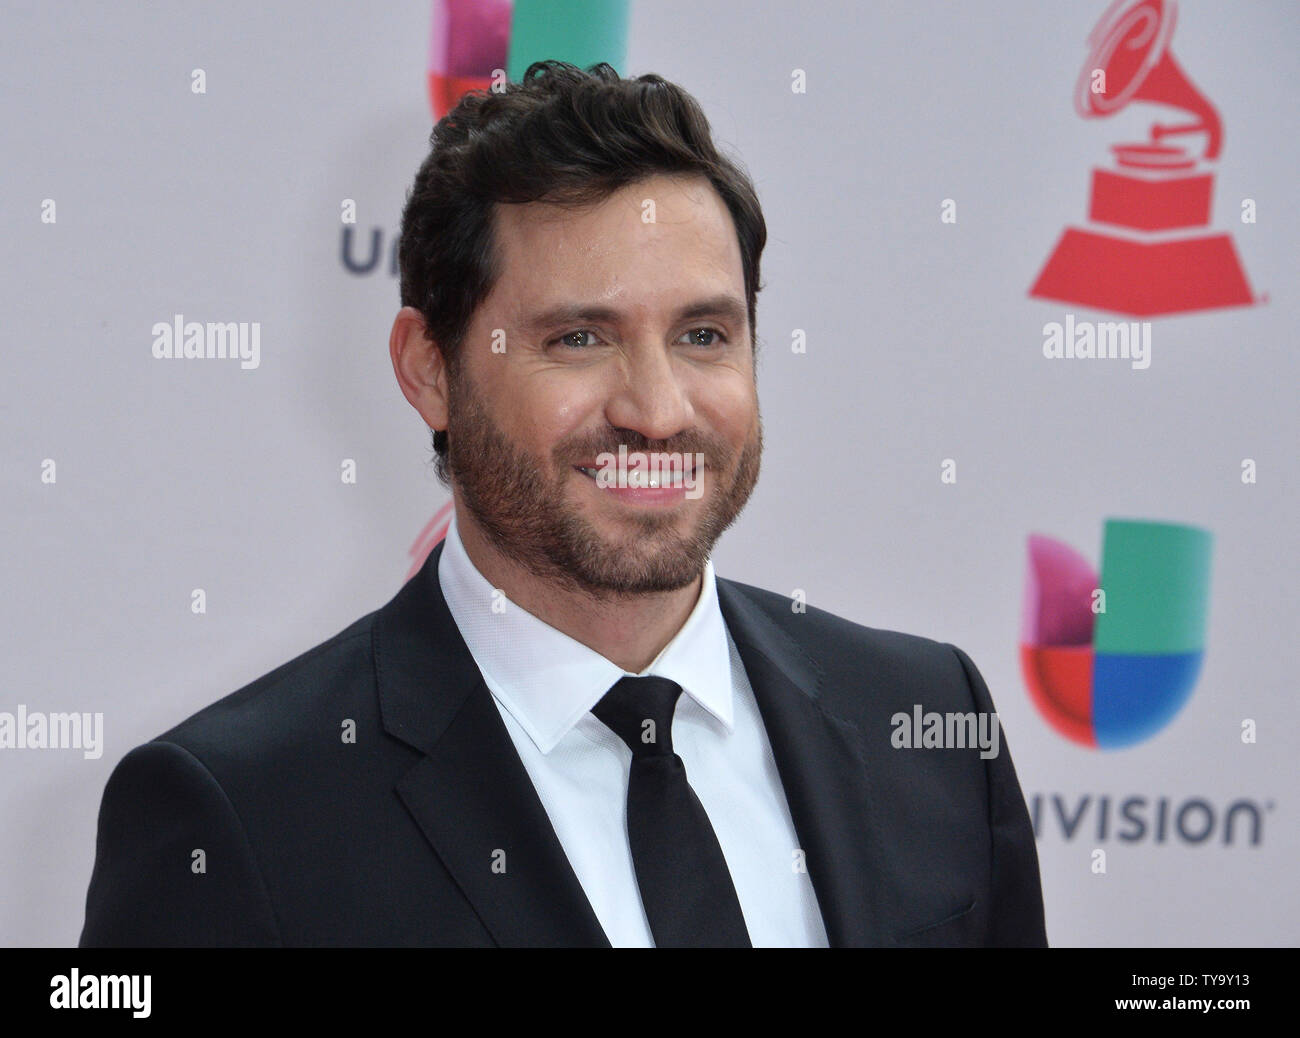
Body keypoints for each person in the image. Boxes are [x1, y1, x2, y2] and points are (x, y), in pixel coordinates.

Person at [80, 61, 1047, 947]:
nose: (658, 412)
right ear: (430, 371)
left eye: (705, 334)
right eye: (581, 339)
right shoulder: (242, 813)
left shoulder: (927, 721)